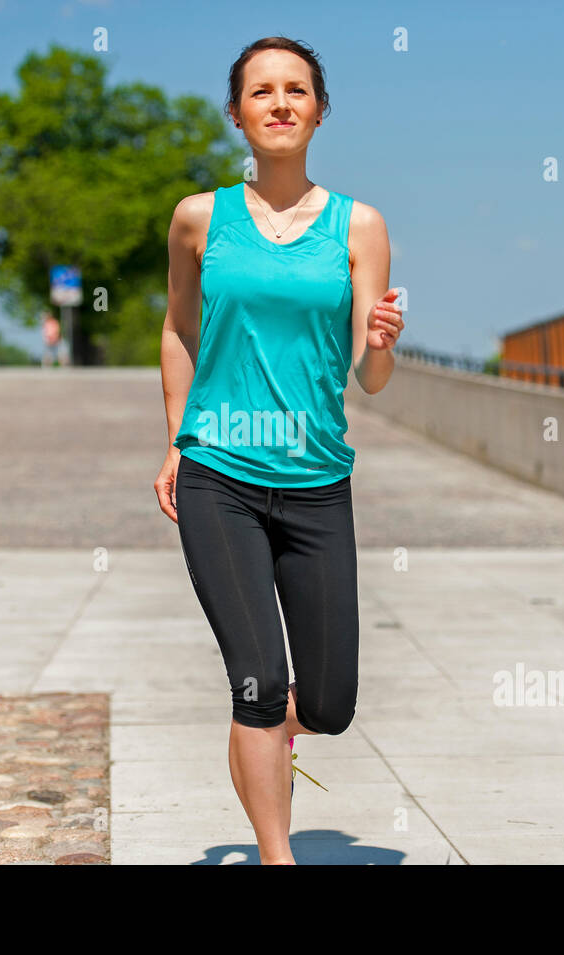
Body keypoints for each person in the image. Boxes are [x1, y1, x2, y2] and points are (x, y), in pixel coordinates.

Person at [154, 36, 403, 865]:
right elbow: (179, 331)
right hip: (218, 474)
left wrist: (381, 341)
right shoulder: (200, 218)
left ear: (320, 110)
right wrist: (174, 441)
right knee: (258, 681)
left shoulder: (358, 225)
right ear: (238, 113)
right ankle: (276, 853)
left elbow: (372, 377)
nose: (281, 103)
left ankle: (277, 736)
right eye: (262, 91)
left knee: (327, 702)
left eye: (297, 89)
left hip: (317, 479)